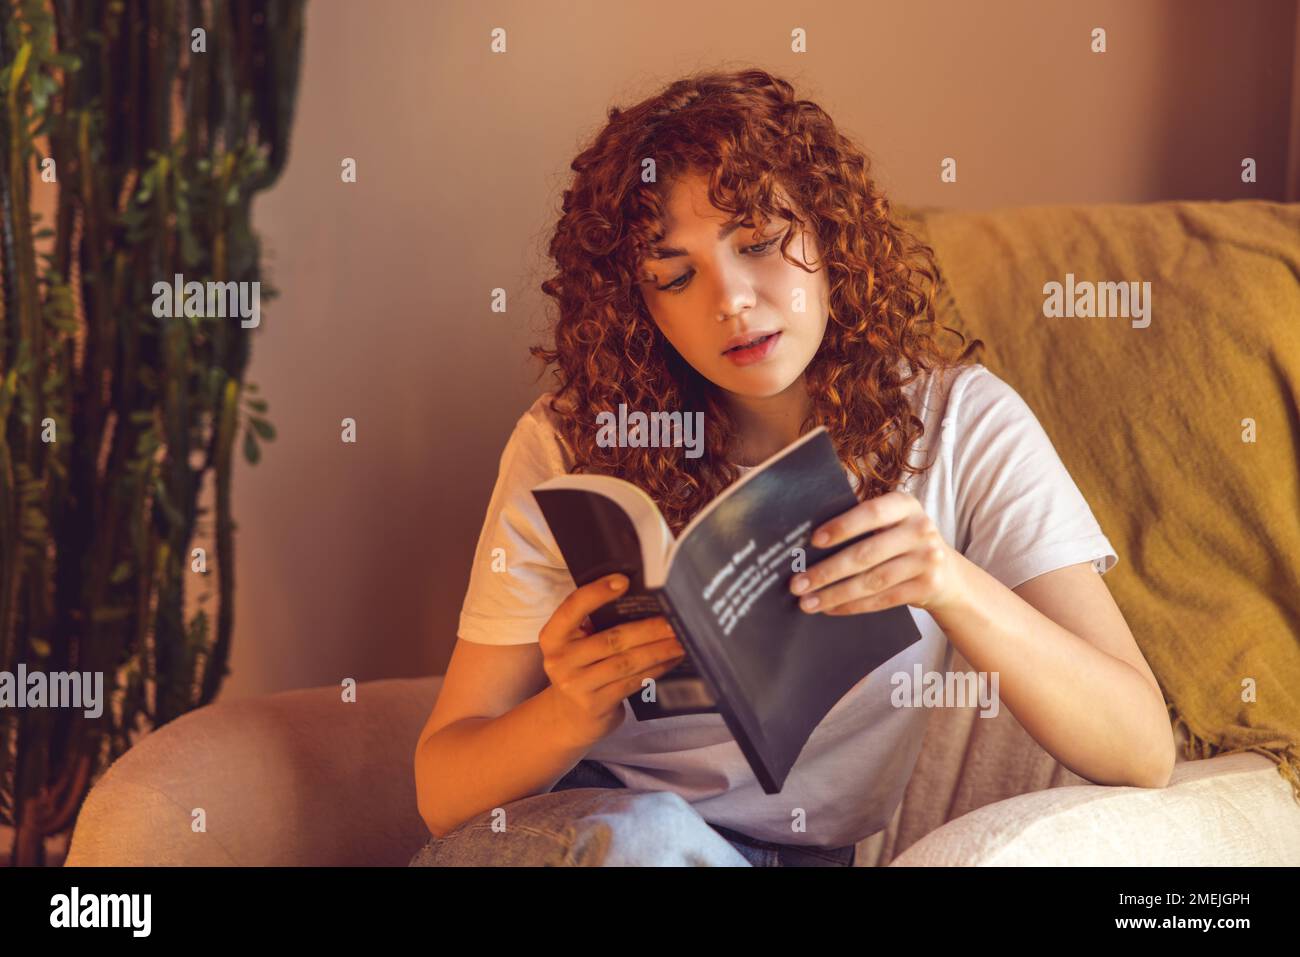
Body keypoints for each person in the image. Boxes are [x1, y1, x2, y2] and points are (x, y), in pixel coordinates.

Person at [410, 68, 1175, 867]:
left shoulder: (962, 423)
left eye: (760, 243)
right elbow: (444, 792)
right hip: (587, 834)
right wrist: (569, 712)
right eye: (675, 275)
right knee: (652, 840)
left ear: (829, 234)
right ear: (641, 304)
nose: (731, 300)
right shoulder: (566, 443)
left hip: (805, 855)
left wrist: (947, 580)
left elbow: (1140, 745)